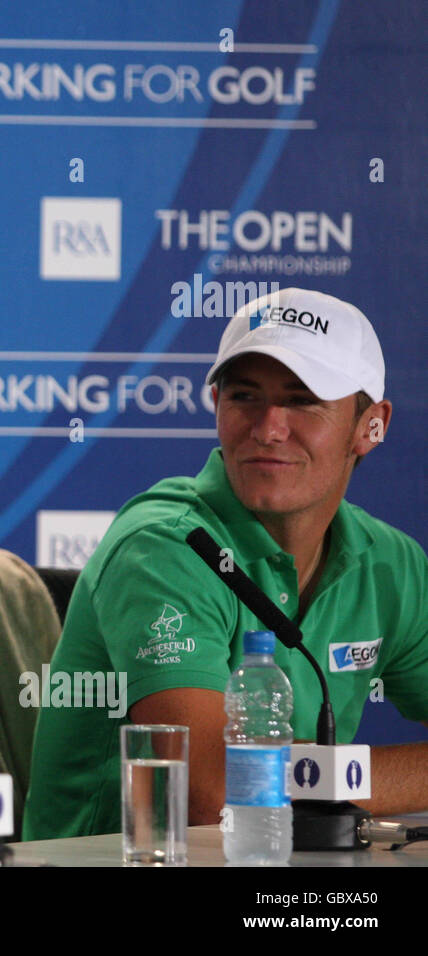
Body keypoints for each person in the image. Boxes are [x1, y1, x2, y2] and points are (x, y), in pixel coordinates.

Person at [23, 288, 428, 840]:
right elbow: (212, 791)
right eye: (244, 396)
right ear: (216, 403)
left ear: (370, 426)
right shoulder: (163, 546)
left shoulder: (390, 563)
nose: (267, 428)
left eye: (303, 400)